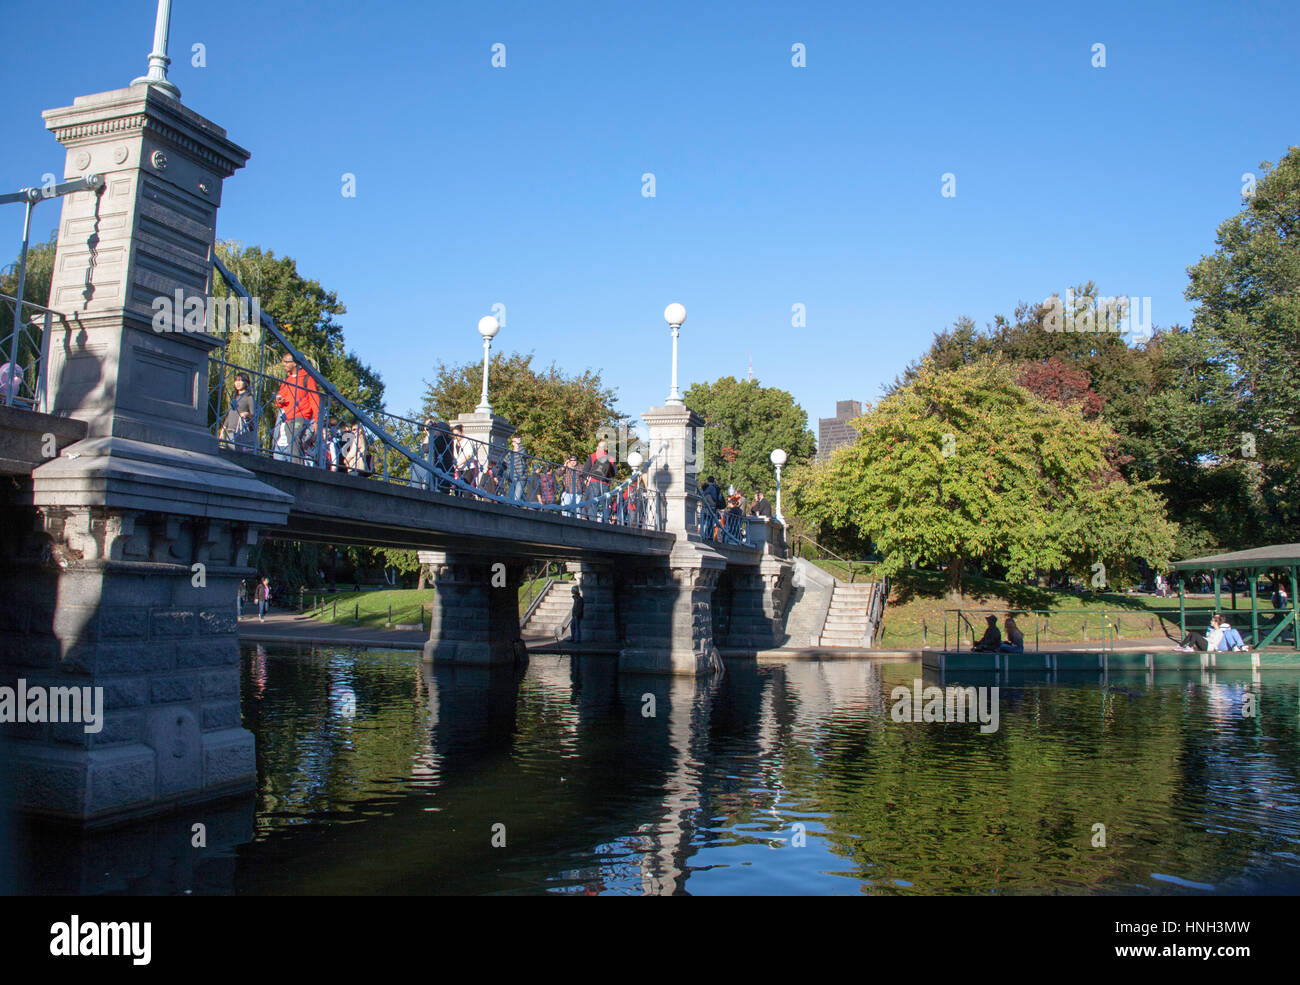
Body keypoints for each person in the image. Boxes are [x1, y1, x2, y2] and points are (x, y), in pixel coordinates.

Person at [274, 352, 320, 463]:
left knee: (294, 440)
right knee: (289, 441)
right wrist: (279, 401)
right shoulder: (287, 380)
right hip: (288, 417)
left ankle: (298, 467)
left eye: (286, 361)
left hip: (301, 415)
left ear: (295, 363)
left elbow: (315, 399)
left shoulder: (307, 378)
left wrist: (317, 420)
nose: (284, 364)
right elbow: (281, 398)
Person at [220, 373, 255, 450]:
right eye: (236, 381)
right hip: (230, 429)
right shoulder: (234, 396)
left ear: (246, 382)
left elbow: (254, 414)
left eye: (240, 381)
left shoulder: (249, 397)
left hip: (240, 430)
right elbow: (230, 413)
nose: (237, 383)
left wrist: (247, 414)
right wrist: (224, 427)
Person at [588, 439, 616, 521]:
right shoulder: (610, 458)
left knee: (593, 502)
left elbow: (586, 469)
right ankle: (606, 521)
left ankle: (592, 521)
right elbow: (614, 472)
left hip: (593, 482)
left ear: (597, 447)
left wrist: (587, 478)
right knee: (606, 503)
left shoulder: (592, 456)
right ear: (606, 448)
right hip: (605, 483)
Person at [505, 433, 528, 501]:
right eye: (513, 441)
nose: (514, 443)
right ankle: (525, 501)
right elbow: (504, 463)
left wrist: (519, 444)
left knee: (516, 499)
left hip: (521, 477)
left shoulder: (522, 450)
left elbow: (525, 454)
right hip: (512, 478)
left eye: (516, 441)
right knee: (511, 498)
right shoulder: (510, 453)